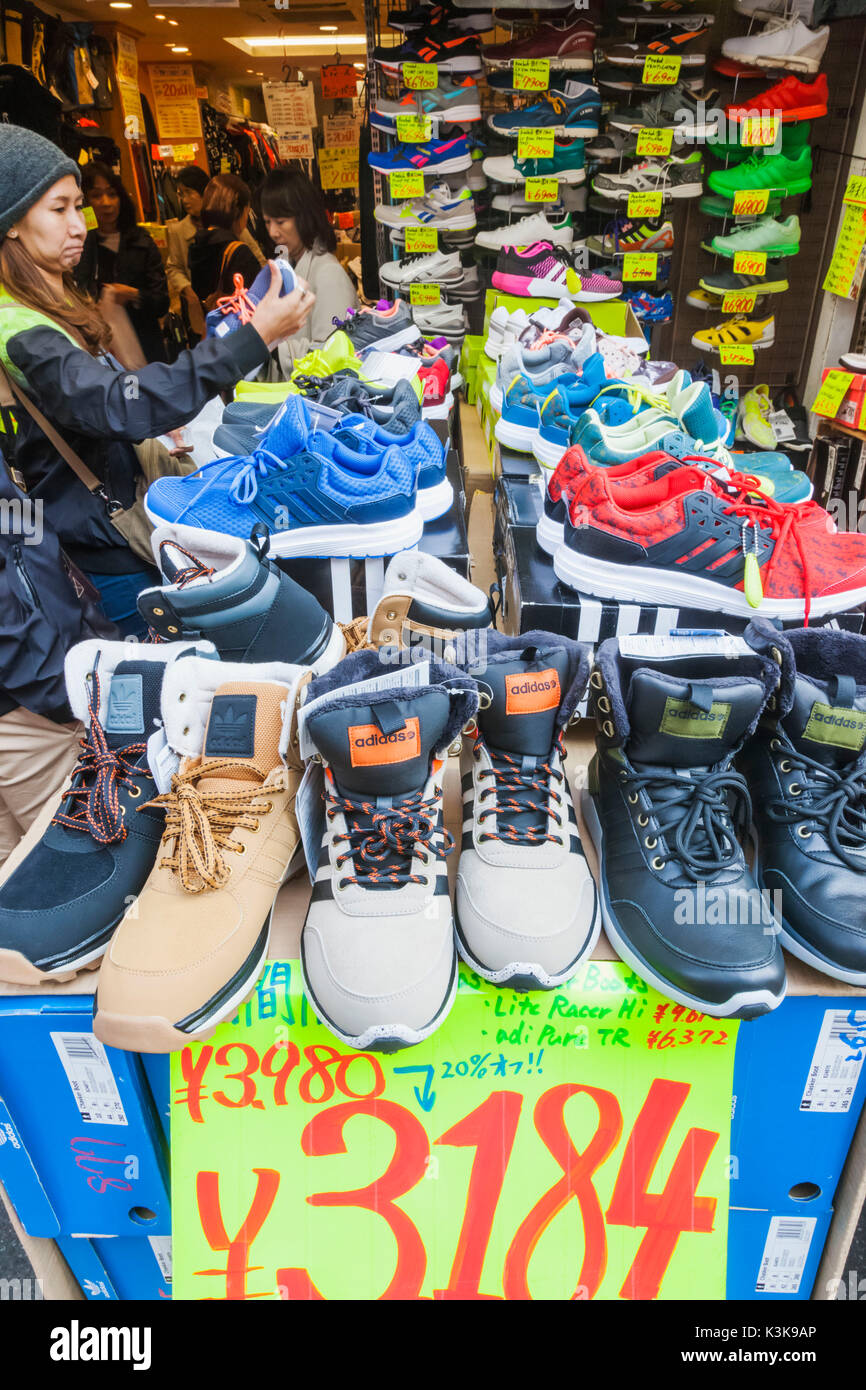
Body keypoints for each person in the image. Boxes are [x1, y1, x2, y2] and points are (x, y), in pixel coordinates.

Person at [0, 124, 315, 636]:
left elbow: (108, 403)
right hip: (103, 557)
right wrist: (250, 340)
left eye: (78, 205)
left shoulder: (50, 301)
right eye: (59, 209)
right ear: (12, 222)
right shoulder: (17, 327)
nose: (79, 224)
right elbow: (114, 404)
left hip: (117, 537)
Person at [261, 168, 358, 374]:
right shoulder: (289, 266)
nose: (273, 232)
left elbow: (334, 356)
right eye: (267, 222)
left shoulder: (328, 275)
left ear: (303, 216)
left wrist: (275, 350)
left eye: (280, 222)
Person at [76, 161, 170, 364]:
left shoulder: (141, 242)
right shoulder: (79, 247)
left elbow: (162, 302)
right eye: (96, 195)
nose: (106, 202)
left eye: (112, 194)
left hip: (145, 347)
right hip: (102, 352)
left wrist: (133, 295)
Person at [165, 165, 265, 340]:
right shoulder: (236, 247)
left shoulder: (200, 242)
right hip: (238, 331)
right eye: (181, 194)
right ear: (239, 211)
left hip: (213, 327)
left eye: (189, 192)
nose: (184, 199)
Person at [188, 173, 261, 310]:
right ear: (238, 212)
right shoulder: (240, 254)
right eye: (247, 211)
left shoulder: (198, 245)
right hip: (240, 328)